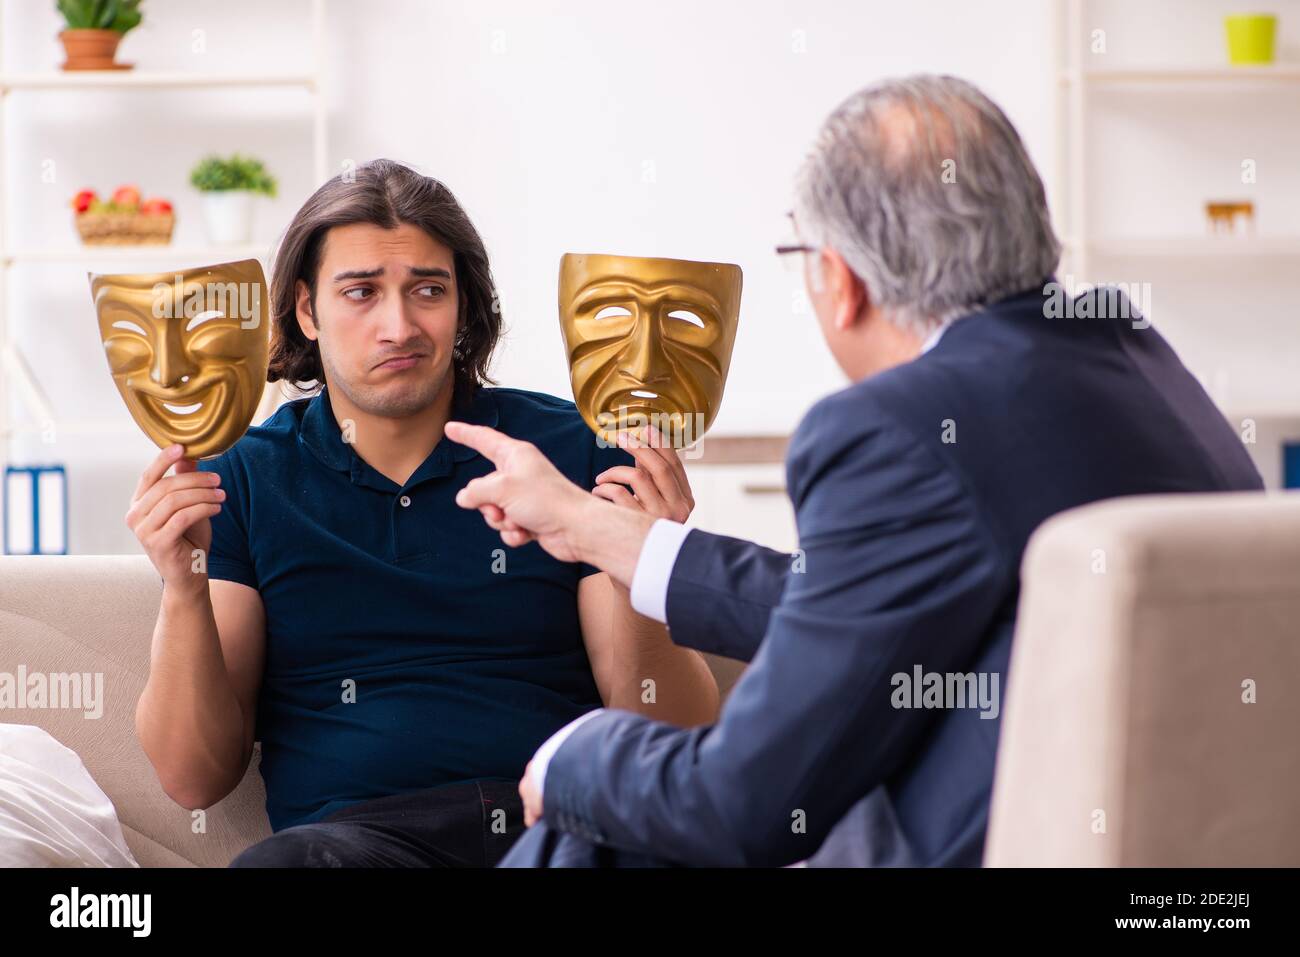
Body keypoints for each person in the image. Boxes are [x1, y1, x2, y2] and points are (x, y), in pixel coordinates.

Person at [445, 75, 1265, 867]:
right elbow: (868, 612)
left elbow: (740, 806)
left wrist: (575, 755)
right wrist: (604, 532)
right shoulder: (1138, 360)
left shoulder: (895, 428)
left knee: (590, 830)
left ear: (840, 279)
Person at [127, 159, 719, 867]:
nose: (399, 325)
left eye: (427, 290)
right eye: (361, 292)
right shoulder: (242, 479)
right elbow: (194, 777)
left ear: (463, 306)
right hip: (352, 846)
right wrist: (185, 585)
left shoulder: (572, 452)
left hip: (561, 825)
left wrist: (640, 559)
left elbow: (672, 739)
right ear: (307, 310)